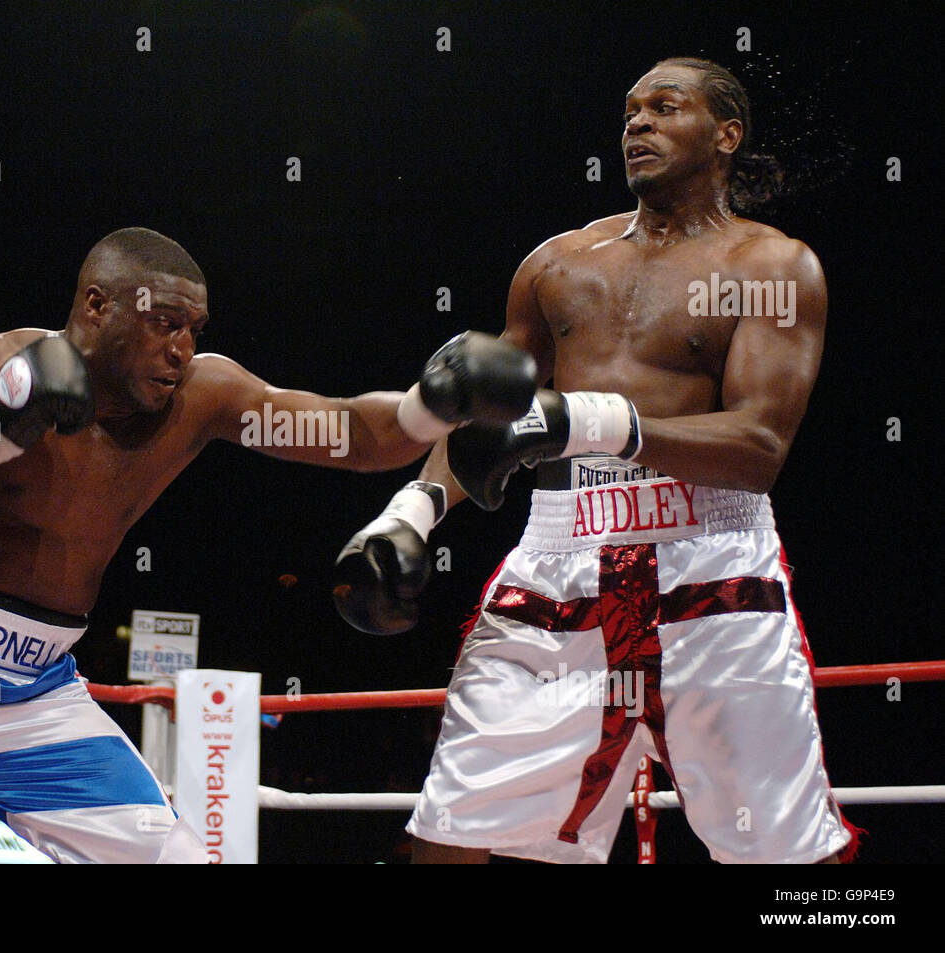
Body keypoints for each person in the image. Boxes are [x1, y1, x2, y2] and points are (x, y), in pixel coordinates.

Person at [0, 227, 535, 864]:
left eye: (196, 328)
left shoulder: (203, 396)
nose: (183, 347)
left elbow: (346, 431)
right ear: (97, 305)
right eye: (166, 324)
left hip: (30, 697)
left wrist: (432, 405)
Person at [334, 58, 859, 864]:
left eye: (664, 107)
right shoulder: (558, 265)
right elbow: (487, 415)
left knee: (789, 859)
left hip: (713, 565)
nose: (637, 124)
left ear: (727, 134)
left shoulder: (771, 267)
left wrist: (586, 418)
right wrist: (411, 513)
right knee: (447, 836)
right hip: (559, 560)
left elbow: (759, 447)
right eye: (628, 113)